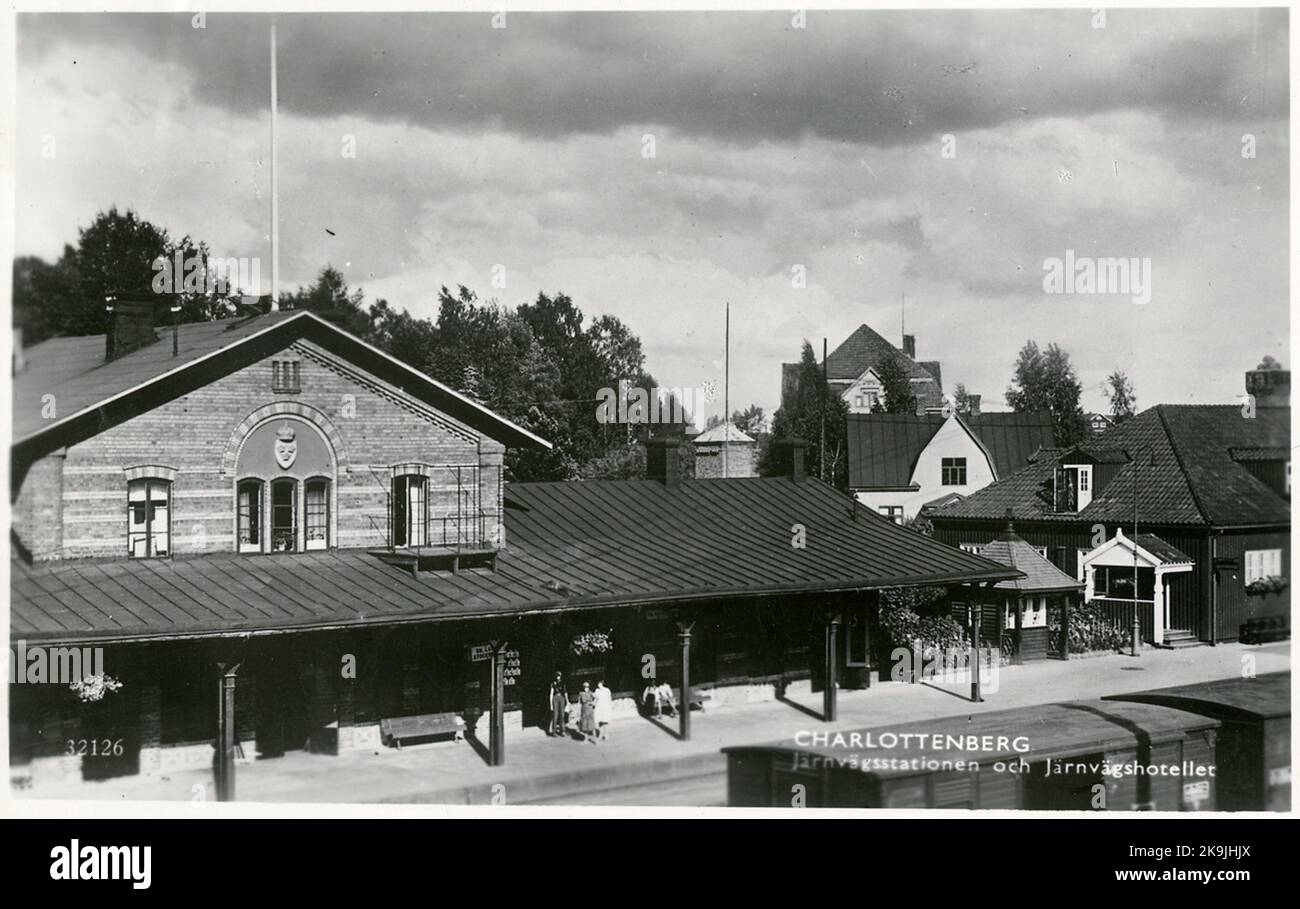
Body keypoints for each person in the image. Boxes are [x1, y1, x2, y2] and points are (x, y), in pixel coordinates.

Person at [548, 672, 568, 737]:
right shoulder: (553, 683)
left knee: (562, 715)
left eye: (559, 676)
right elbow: (551, 693)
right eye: (557, 676)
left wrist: (567, 700)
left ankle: (562, 731)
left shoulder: (563, 683)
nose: (558, 677)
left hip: (561, 698)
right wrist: (551, 704)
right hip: (555, 698)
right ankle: (554, 732)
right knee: (555, 715)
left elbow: (565, 692)